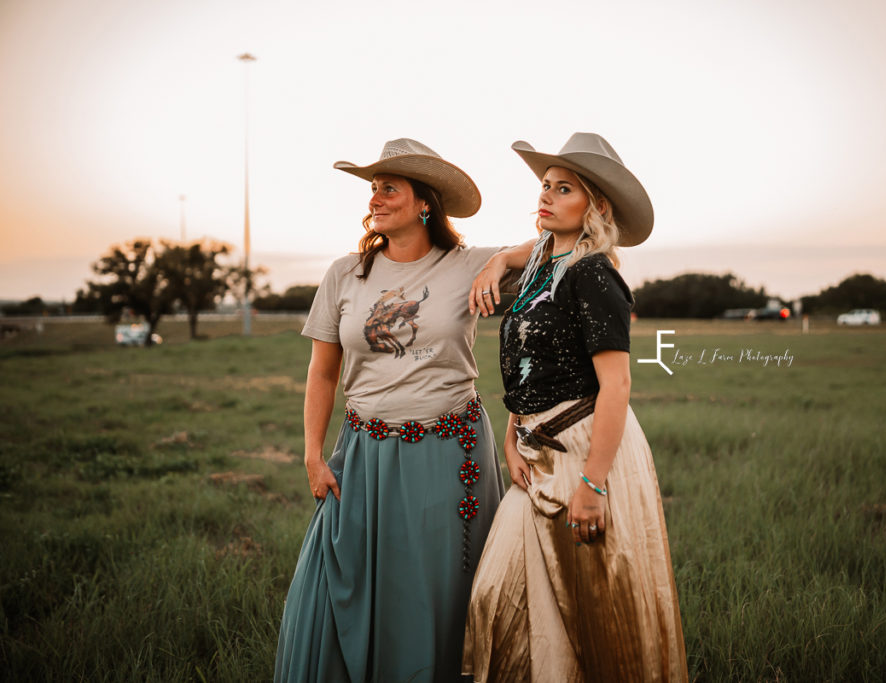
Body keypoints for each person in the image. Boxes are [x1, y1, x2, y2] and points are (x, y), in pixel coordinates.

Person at [275, 138, 529, 682]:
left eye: (389, 187)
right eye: (373, 187)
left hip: (450, 453)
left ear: (425, 204)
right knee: (352, 583)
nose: (375, 197)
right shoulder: (346, 274)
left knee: (441, 586)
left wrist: (503, 259)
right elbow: (322, 373)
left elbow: (555, 244)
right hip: (364, 454)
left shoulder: (468, 265)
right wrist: (313, 455)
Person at [463, 133, 688, 682]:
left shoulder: (594, 274)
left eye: (564, 189)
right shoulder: (540, 260)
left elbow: (617, 386)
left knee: (600, 613)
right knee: (496, 595)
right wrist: (515, 433)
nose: (547, 196)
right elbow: (525, 362)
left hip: (587, 450)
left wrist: (593, 485)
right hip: (534, 451)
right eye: (545, 185)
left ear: (596, 205)